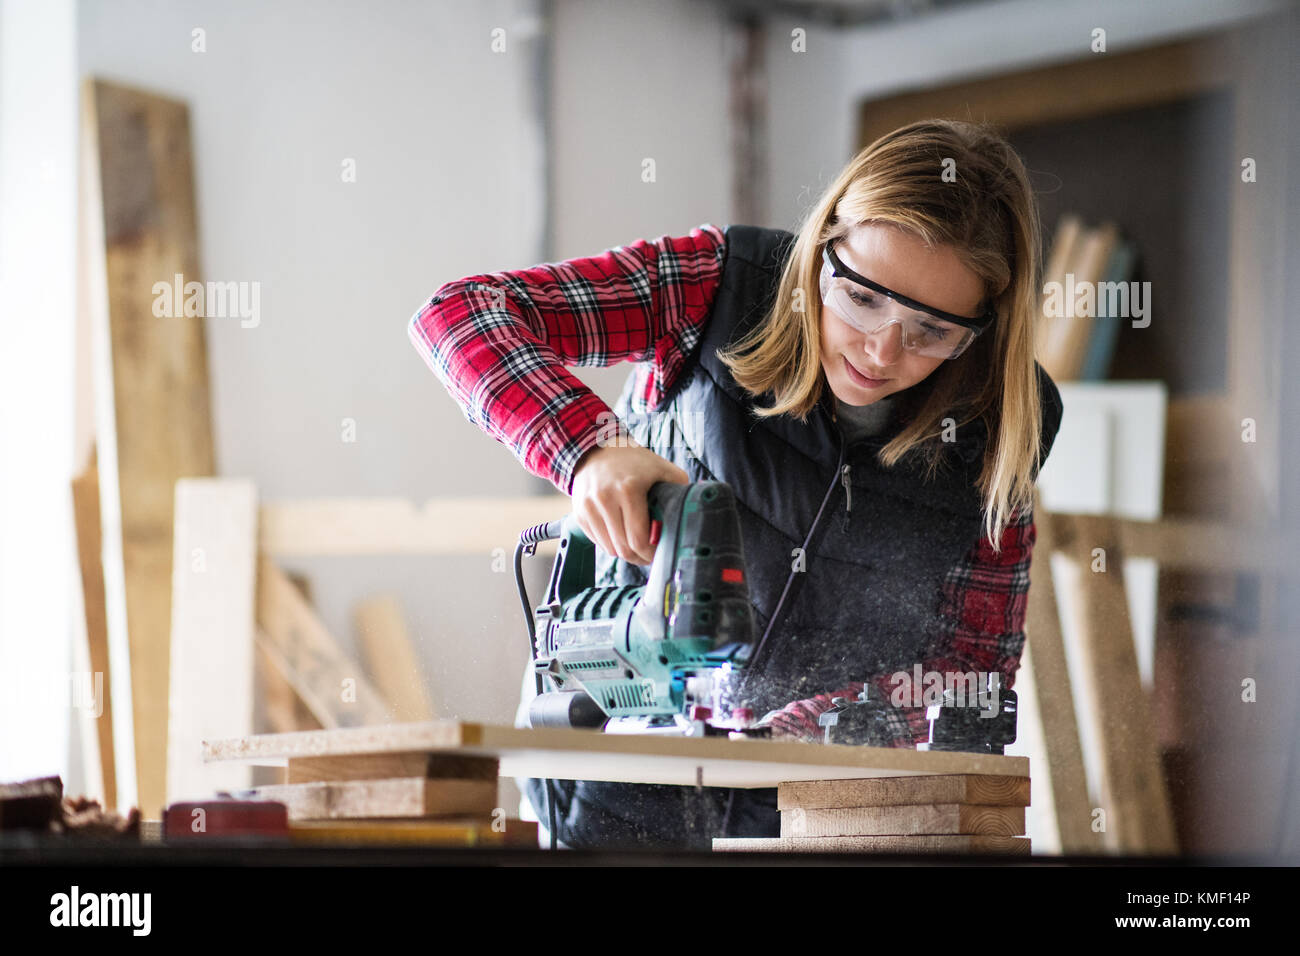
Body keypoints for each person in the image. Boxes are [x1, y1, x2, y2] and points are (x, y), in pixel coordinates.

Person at [407, 118, 1064, 851]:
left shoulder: (1000, 423)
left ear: (982, 327)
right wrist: (589, 449)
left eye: (931, 331)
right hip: (621, 754)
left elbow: (970, 671)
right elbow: (460, 318)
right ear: (823, 246)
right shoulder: (718, 287)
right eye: (863, 298)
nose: (881, 351)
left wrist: (779, 739)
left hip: (820, 804)